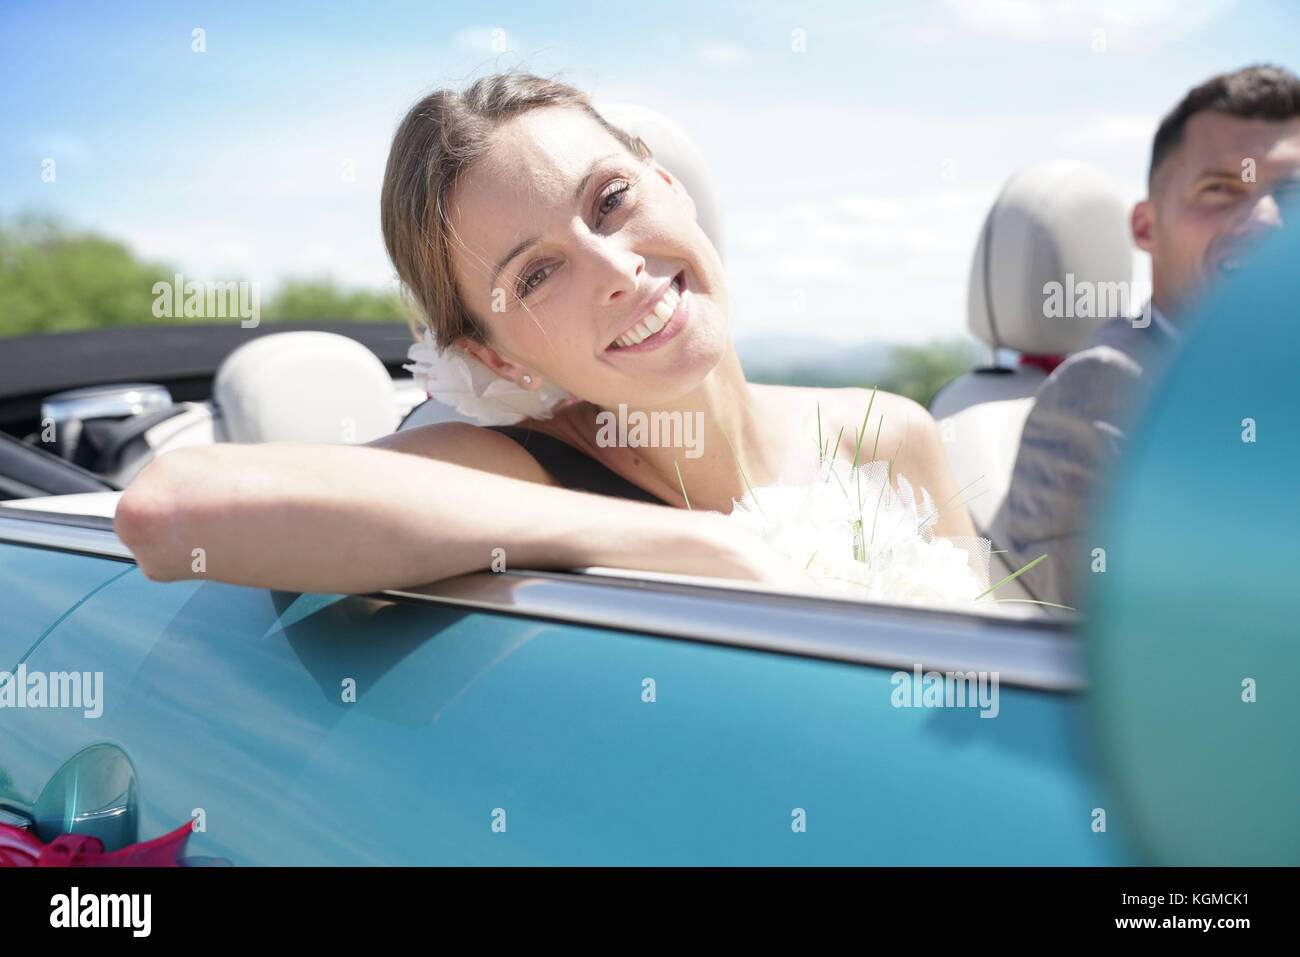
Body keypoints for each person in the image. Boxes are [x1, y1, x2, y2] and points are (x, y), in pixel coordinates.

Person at [115, 71, 975, 595]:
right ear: (495, 355)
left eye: (612, 199)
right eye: (534, 274)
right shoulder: (526, 469)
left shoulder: (887, 433)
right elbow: (170, 511)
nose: (615, 269)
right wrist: (700, 543)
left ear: (669, 184)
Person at [991, 64, 1300, 608]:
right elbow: (1110, 625)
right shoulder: (1104, 387)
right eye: (1221, 189)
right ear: (1145, 227)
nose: (1267, 222)